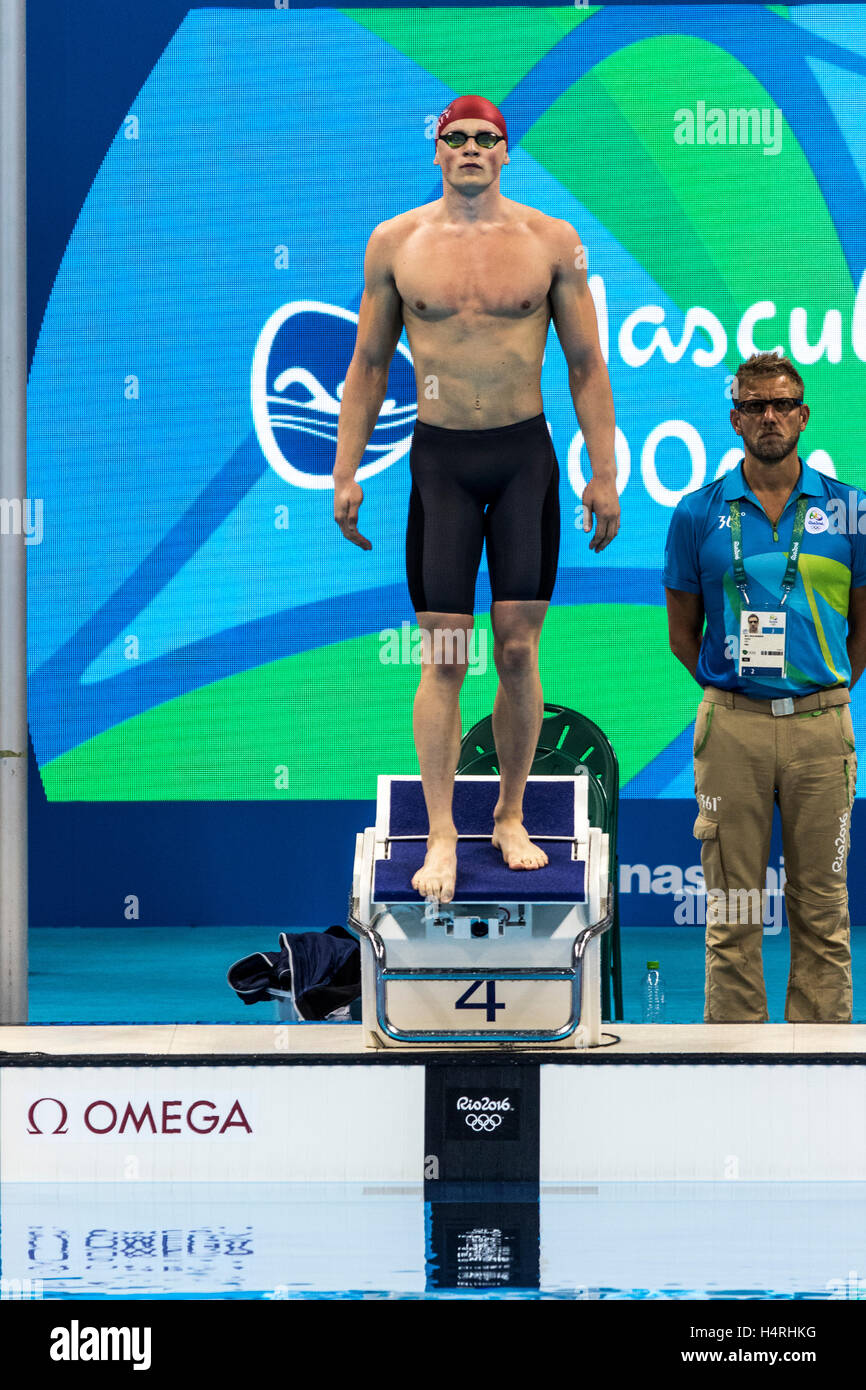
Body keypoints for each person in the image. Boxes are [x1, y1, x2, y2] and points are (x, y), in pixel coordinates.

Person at [333, 95, 618, 903]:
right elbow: (368, 365)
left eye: (482, 139)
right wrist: (345, 470)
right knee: (446, 657)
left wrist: (603, 471)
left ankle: (511, 812)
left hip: (522, 456)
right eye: (453, 138)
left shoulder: (549, 243)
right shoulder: (396, 243)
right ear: (436, 151)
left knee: (519, 651)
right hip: (442, 464)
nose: (467, 150)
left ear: (504, 151)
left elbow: (587, 364)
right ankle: (441, 832)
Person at [664, 351, 866, 1023]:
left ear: (803, 416)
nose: (770, 417)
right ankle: (734, 1071)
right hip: (733, 731)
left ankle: (820, 1074)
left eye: (783, 405)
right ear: (735, 419)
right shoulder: (697, 514)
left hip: (821, 731)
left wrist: (818, 693)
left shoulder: (850, 513)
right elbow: (682, 634)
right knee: (732, 916)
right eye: (755, 406)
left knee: (824, 916)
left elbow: (862, 631)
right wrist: (736, 692)